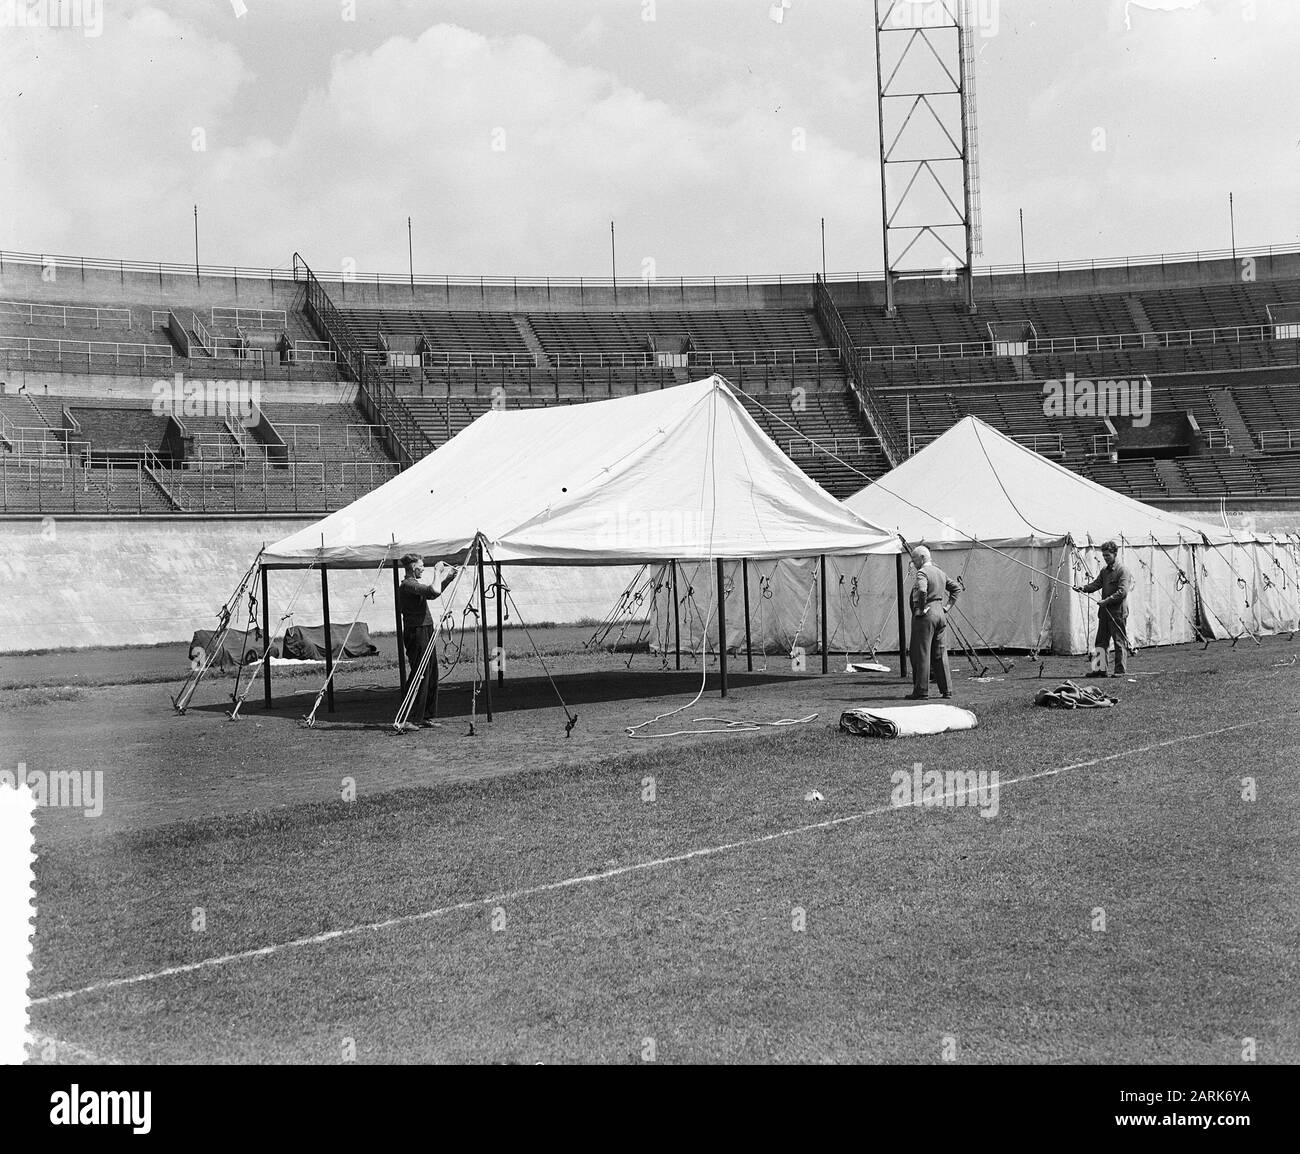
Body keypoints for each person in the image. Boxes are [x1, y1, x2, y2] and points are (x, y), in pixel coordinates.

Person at [397, 553, 457, 731]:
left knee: (431, 672)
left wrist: (447, 579)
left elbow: (432, 595)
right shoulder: (408, 585)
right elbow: (433, 590)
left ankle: (426, 716)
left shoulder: (414, 585)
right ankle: (406, 718)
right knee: (419, 674)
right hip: (416, 632)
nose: (423, 568)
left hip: (426, 629)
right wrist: (438, 573)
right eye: (421, 566)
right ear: (413, 568)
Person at [906, 545, 961, 700]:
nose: (913, 563)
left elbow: (922, 591)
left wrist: (922, 608)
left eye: (914, 559)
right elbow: (956, 588)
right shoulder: (940, 572)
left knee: (921, 653)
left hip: (926, 615)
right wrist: (947, 607)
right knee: (940, 653)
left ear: (922, 558)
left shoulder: (922, 572)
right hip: (940, 614)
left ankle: (921, 691)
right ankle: (946, 690)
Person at [1074, 539, 1132, 677]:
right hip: (1104, 612)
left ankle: (1120, 671)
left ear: (1115, 554)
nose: (1105, 558)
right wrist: (1083, 588)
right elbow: (1096, 584)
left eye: (1108, 555)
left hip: (1117, 613)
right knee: (1100, 641)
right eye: (1104, 555)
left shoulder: (1122, 570)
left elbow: (1122, 592)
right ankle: (1100, 670)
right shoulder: (1104, 571)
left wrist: (1106, 601)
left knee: (1119, 642)